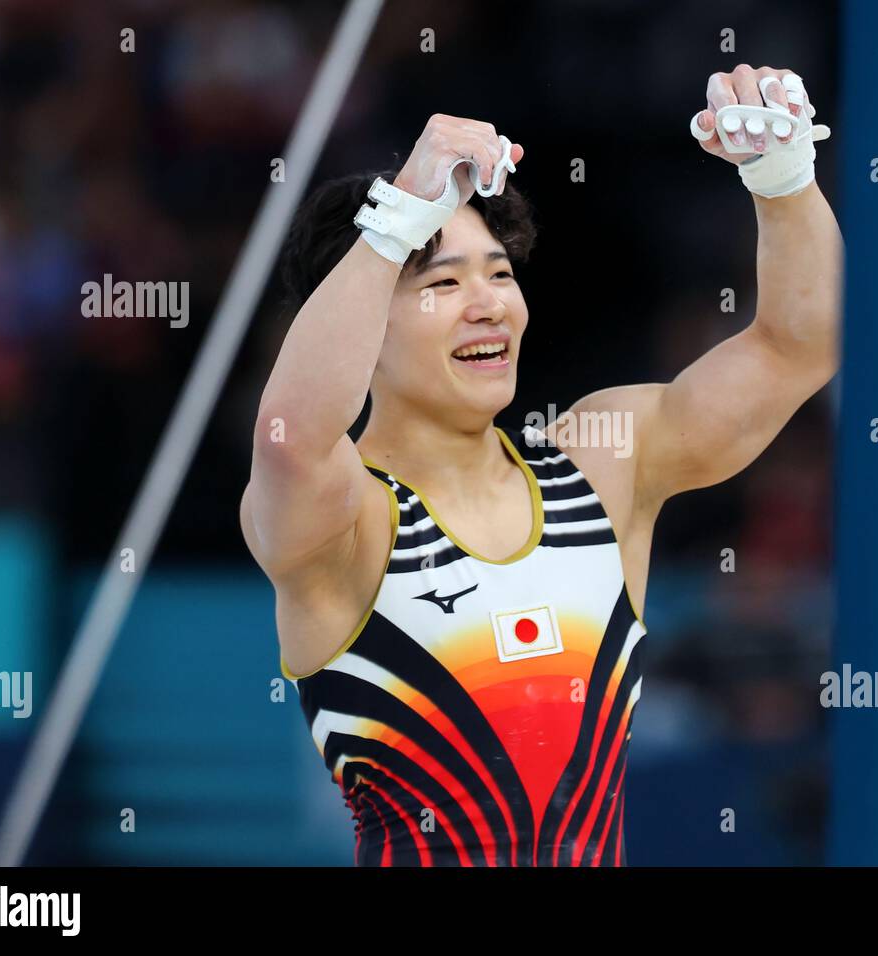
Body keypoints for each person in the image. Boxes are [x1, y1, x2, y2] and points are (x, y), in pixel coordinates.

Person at [241, 64, 843, 866]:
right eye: (443, 281)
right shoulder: (351, 518)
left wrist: (783, 176)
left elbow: (799, 346)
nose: (489, 301)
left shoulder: (601, 466)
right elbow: (289, 434)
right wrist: (393, 223)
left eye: (498, 272)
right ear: (358, 320)